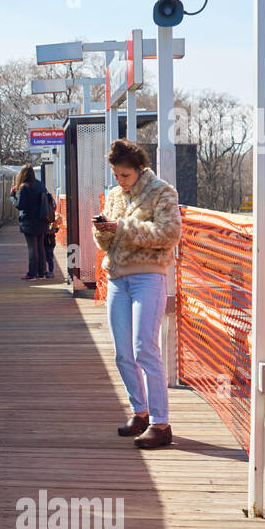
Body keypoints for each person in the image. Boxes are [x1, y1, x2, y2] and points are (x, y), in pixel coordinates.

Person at [92, 140, 181, 450]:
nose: (119, 181)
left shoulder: (162, 192)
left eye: (124, 175)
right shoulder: (115, 195)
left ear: (139, 169)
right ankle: (140, 413)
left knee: (145, 347)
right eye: (116, 174)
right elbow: (106, 241)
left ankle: (161, 422)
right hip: (117, 278)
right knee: (122, 353)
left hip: (148, 277)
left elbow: (169, 234)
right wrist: (102, 230)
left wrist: (122, 227)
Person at [11, 164, 49, 280]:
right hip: (42, 220)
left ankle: (32, 274)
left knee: (32, 248)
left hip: (29, 222)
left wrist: (12, 196)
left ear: (22, 174)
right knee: (40, 247)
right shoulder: (40, 185)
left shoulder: (24, 187)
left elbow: (20, 205)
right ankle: (41, 273)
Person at [42, 188, 58, 278]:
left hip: (49, 240)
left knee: (49, 257)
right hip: (49, 240)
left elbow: (56, 228)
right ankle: (46, 271)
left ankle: (50, 271)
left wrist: (53, 228)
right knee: (46, 256)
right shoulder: (51, 204)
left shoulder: (52, 214)